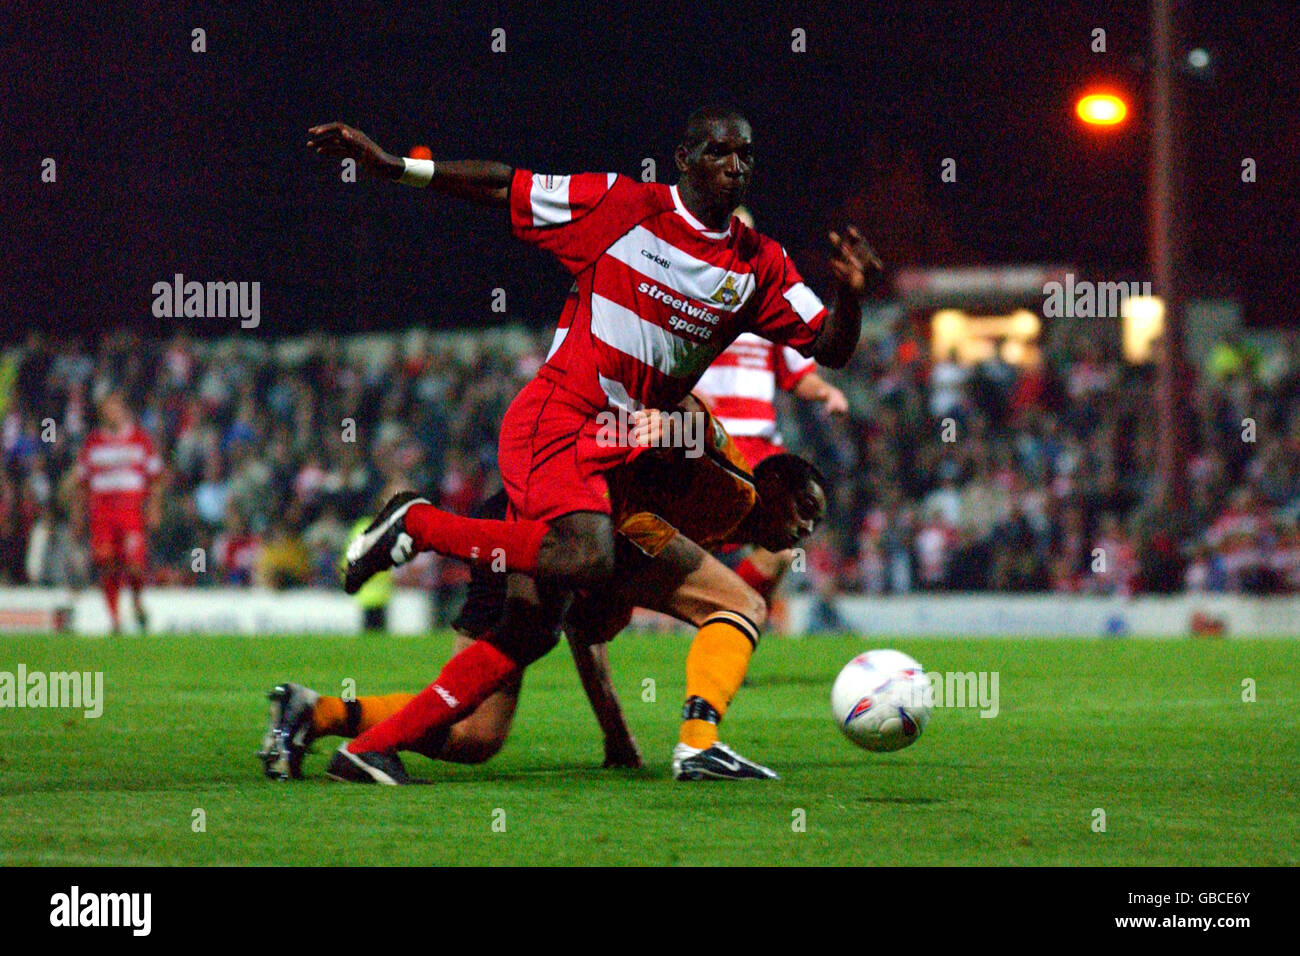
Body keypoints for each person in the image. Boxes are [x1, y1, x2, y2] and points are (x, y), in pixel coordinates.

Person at [308, 105, 877, 782]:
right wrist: (396, 167)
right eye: (721, 153)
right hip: (561, 418)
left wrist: (850, 295)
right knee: (586, 557)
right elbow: (505, 186)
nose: (736, 166)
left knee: (529, 634)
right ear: (685, 159)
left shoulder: (760, 266)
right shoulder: (621, 205)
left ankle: (364, 748)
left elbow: (831, 348)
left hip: (615, 459)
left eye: (746, 155)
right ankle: (420, 524)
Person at [261, 396, 826, 782]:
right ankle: (700, 746)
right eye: (803, 510)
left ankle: (316, 715)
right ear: (772, 483)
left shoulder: (702, 525)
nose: (804, 530)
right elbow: (696, 417)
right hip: (550, 513)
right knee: (741, 602)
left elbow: (588, 620)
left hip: (552, 523)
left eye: (814, 524)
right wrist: (675, 424)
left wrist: (617, 737)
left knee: (478, 735)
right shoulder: (735, 494)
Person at [72, 392, 162, 633]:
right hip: (102, 516)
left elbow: (155, 479)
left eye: (114, 407)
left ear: (123, 409)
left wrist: (153, 508)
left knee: (134, 565)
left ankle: (136, 601)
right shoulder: (92, 443)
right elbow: (81, 483)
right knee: (108, 565)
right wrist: (78, 517)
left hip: (130, 514)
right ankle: (114, 619)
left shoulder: (140, 439)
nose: (110, 412)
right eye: (106, 408)